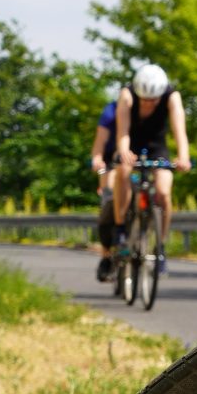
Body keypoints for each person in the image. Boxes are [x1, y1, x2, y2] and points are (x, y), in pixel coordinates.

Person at [111, 62, 190, 252]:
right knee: (122, 173)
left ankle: (160, 244)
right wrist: (124, 151)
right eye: (144, 99)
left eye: (153, 100)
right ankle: (121, 227)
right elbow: (122, 132)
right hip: (131, 144)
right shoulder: (127, 96)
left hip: (157, 147)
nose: (148, 103)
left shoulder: (172, 97)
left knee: (163, 192)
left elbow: (180, 132)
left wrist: (183, 157)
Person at [90, 82, 122, 281]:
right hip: (111, 160)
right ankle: (106, 255)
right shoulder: (110, 113)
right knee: (109, 195)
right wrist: (97, 159)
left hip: (136, 160)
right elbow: (99, 144)